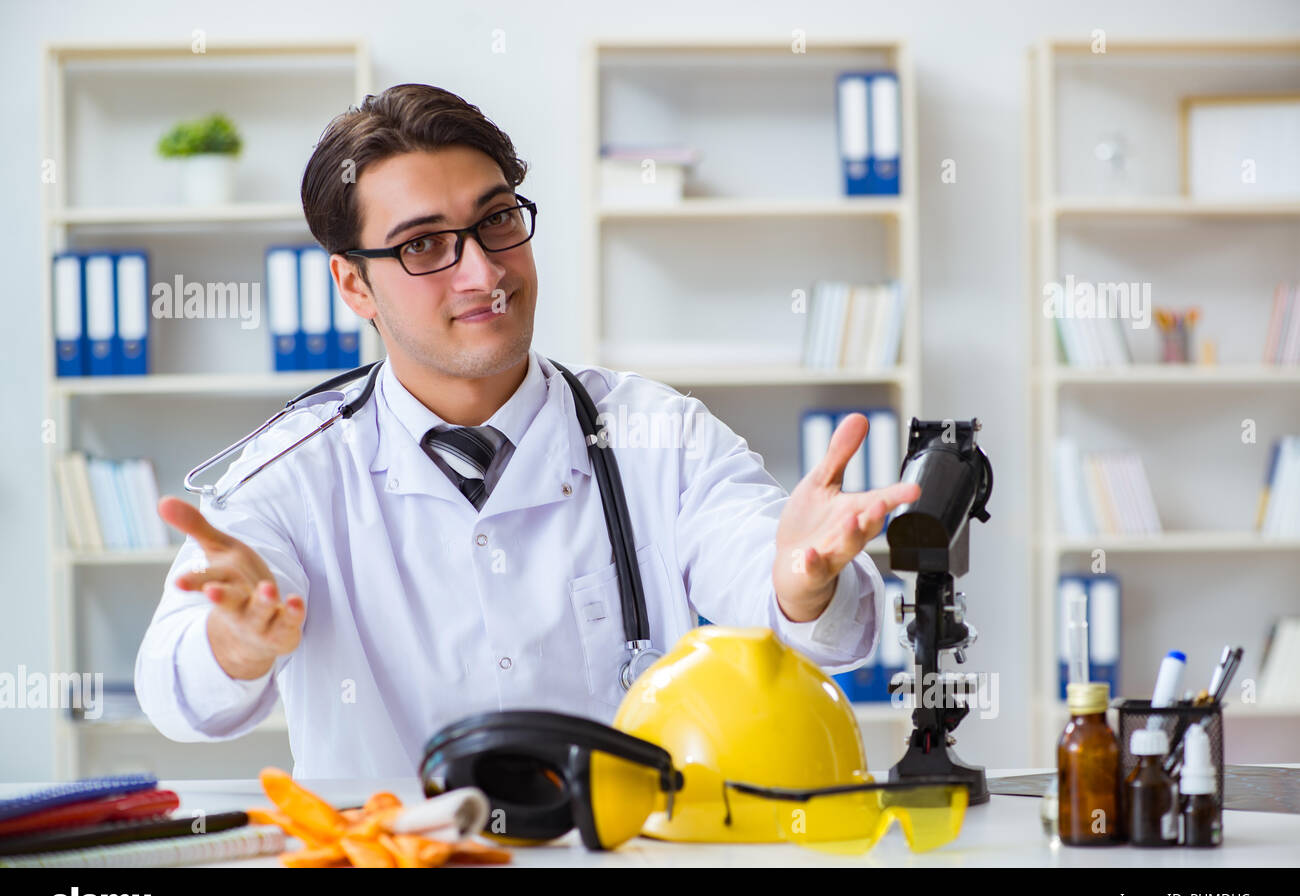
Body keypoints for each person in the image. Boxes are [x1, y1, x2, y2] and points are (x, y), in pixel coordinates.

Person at [134, 84, 921, 778]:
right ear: (354, 285)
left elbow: (821, 621)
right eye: (423, 245)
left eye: (497, 219)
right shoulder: (291, 471)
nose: (483, 272)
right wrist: (234, 647)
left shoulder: (658, 435)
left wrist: (801, 583)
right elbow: (175, 697)